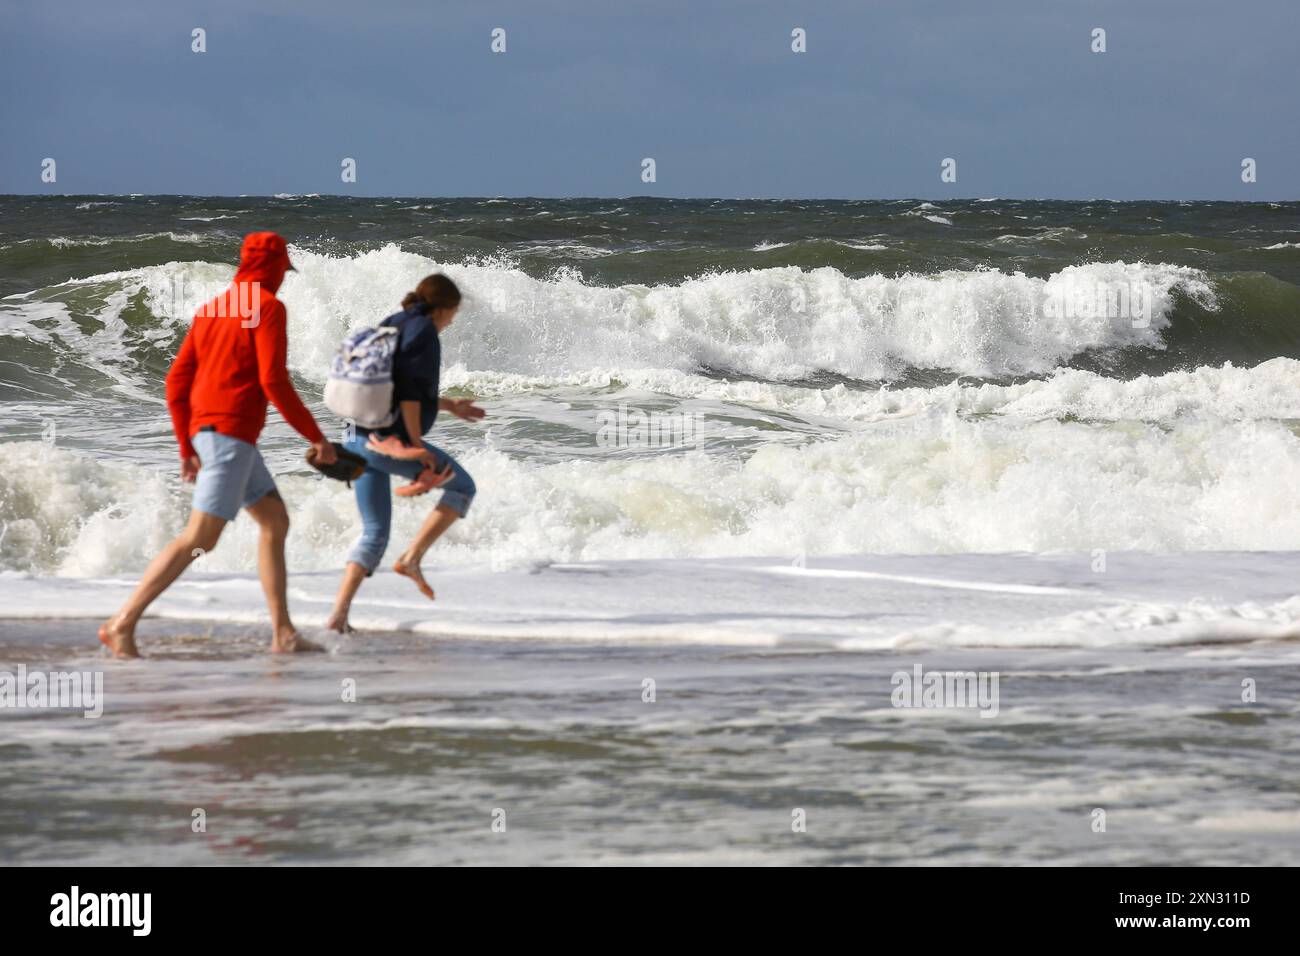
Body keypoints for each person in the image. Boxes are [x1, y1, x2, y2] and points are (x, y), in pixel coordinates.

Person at [98, 231, 337, 658]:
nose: (283, 279)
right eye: (282, 270)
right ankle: (121, 622)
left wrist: (185, 445)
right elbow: (273, 381)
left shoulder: (212, 310)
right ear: (272, 268)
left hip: (217, 435)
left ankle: (283, 633)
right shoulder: (267, 308)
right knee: (201, 538)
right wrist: (316, 437)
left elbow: (176, 382)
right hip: (228, 437)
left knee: (274, 520)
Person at [325, 274, 483, 632]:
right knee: (462, 487)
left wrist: (447, 405)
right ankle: (411, 558)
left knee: (374, 532)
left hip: (356, 436)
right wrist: (415, 446)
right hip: (387, 444)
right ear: (444, 309)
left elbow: (389, 389)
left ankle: (338, 616)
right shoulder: (425, 332)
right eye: (453, 314)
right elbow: (410, 395)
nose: (452, 322)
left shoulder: (394, 323)